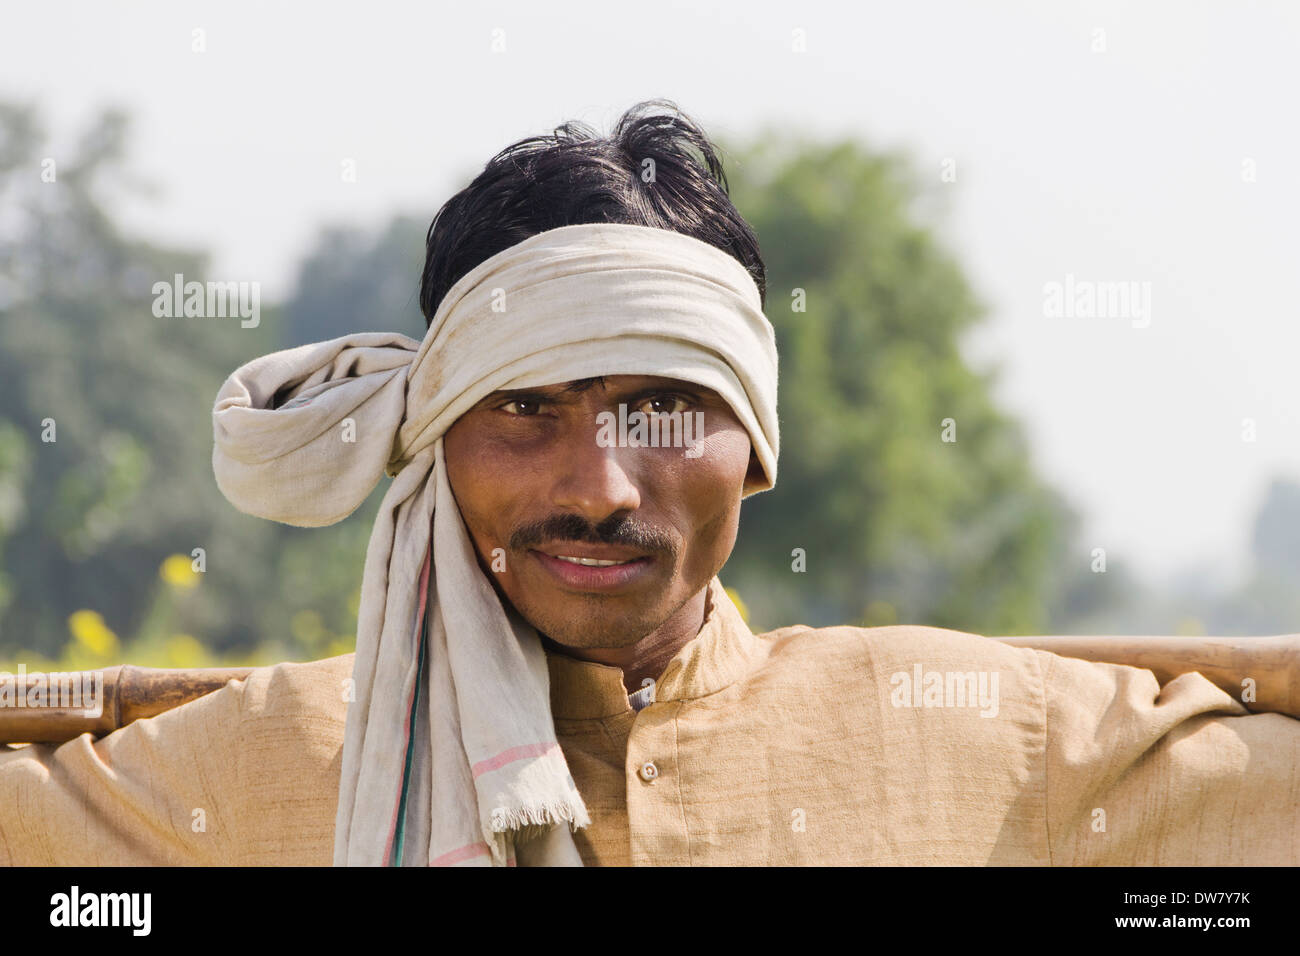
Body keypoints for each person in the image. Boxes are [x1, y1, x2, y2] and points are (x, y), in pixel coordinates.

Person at [2, 100, 1297, 866]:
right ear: (436, 434)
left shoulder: (1006, 743)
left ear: (755, 439)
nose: (600, 484)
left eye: (662, 408)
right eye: (524, 407)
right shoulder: (256, 771)